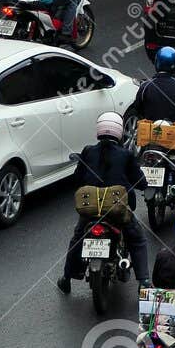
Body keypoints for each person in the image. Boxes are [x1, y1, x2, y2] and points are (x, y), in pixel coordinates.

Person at [58, 111, 151, 292]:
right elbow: (140, 182)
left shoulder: (88, 151)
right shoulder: (126, 155)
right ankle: (144, 281)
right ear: (119, 131)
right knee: (138, 239)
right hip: (118, 211)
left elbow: (77, 179)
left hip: (90, 210)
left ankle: (67, 278)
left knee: (78, 238)